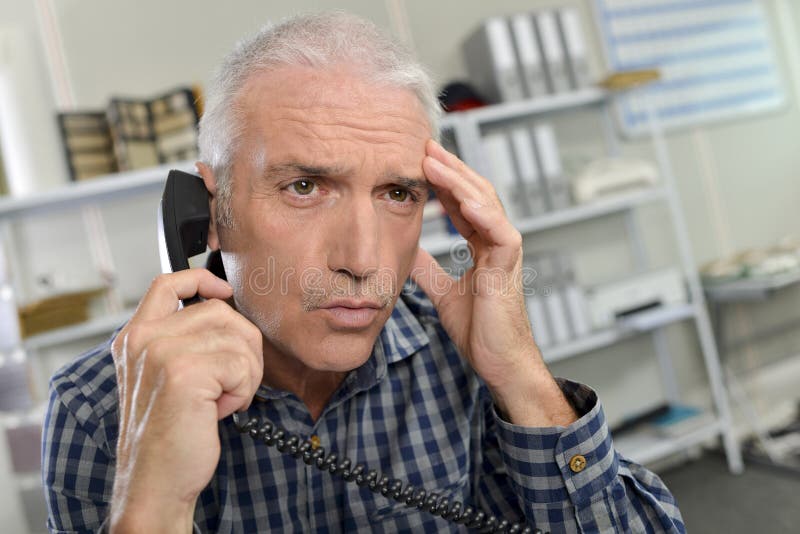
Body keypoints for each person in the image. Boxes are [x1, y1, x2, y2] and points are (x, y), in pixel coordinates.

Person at [42, 12, 684, 533]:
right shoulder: (99, 407)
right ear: (209, 213)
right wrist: (153, 501)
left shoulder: (458, 350)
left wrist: (520, 376)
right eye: (303, 186)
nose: (364, 260)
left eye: (397, 193)